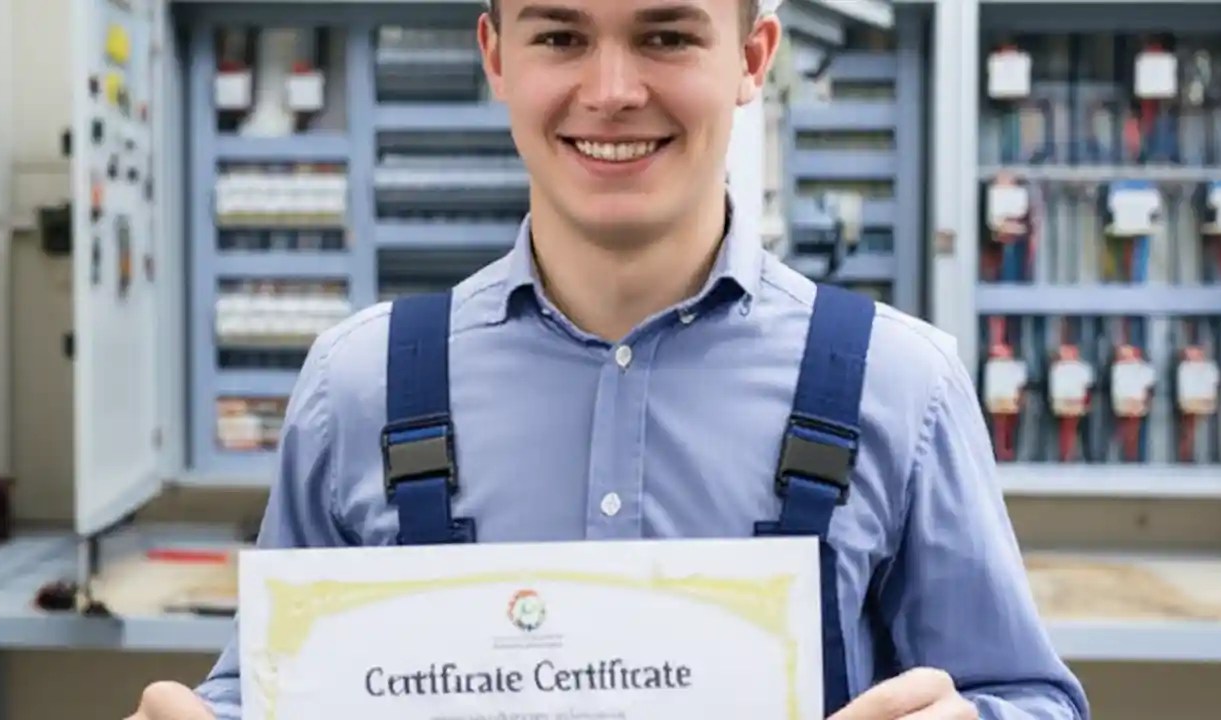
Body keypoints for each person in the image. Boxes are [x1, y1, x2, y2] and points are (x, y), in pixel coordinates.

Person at [127, 0, 1090, 718]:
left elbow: (1029, 696)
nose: (614, 91)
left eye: (667, 36)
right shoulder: (357, 386)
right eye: (561, 37)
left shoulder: (900, 382)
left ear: (752, 58)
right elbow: (269, 690)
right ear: (496, 55)